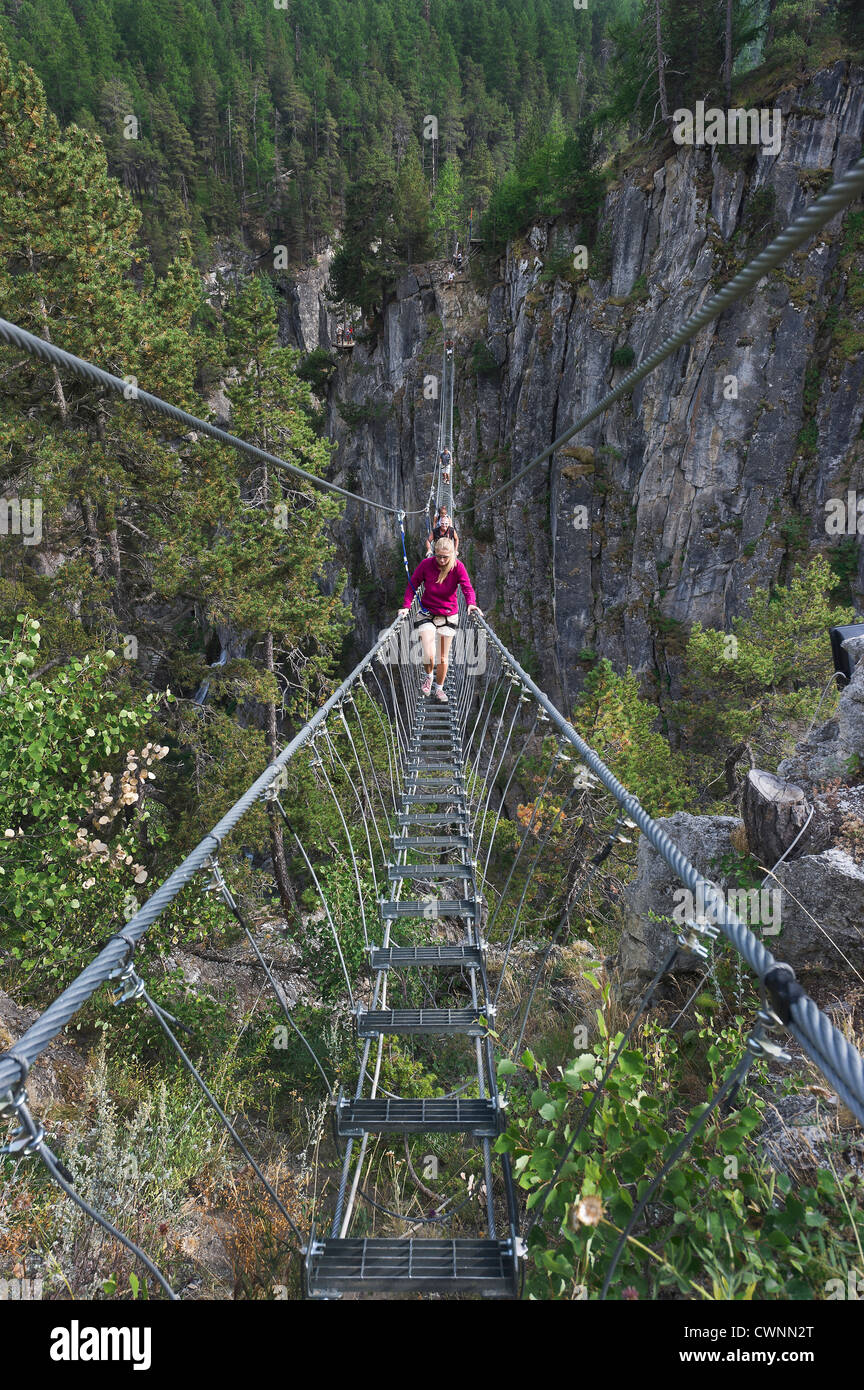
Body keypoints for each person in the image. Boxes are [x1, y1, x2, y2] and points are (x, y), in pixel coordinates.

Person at [399, 538, 481, 702]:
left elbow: (467, 587)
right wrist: (406, 606)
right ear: (434, 554)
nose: (442, 560)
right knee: (429, 654)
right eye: (439, 556)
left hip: (448, 615)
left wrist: (471, 604)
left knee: (443, 657)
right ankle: (429, 677)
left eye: (445, 557)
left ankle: (439, 689)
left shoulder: (458, 567)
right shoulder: (426, 565)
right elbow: (413, 584)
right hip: (427, 613)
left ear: (452, 554)